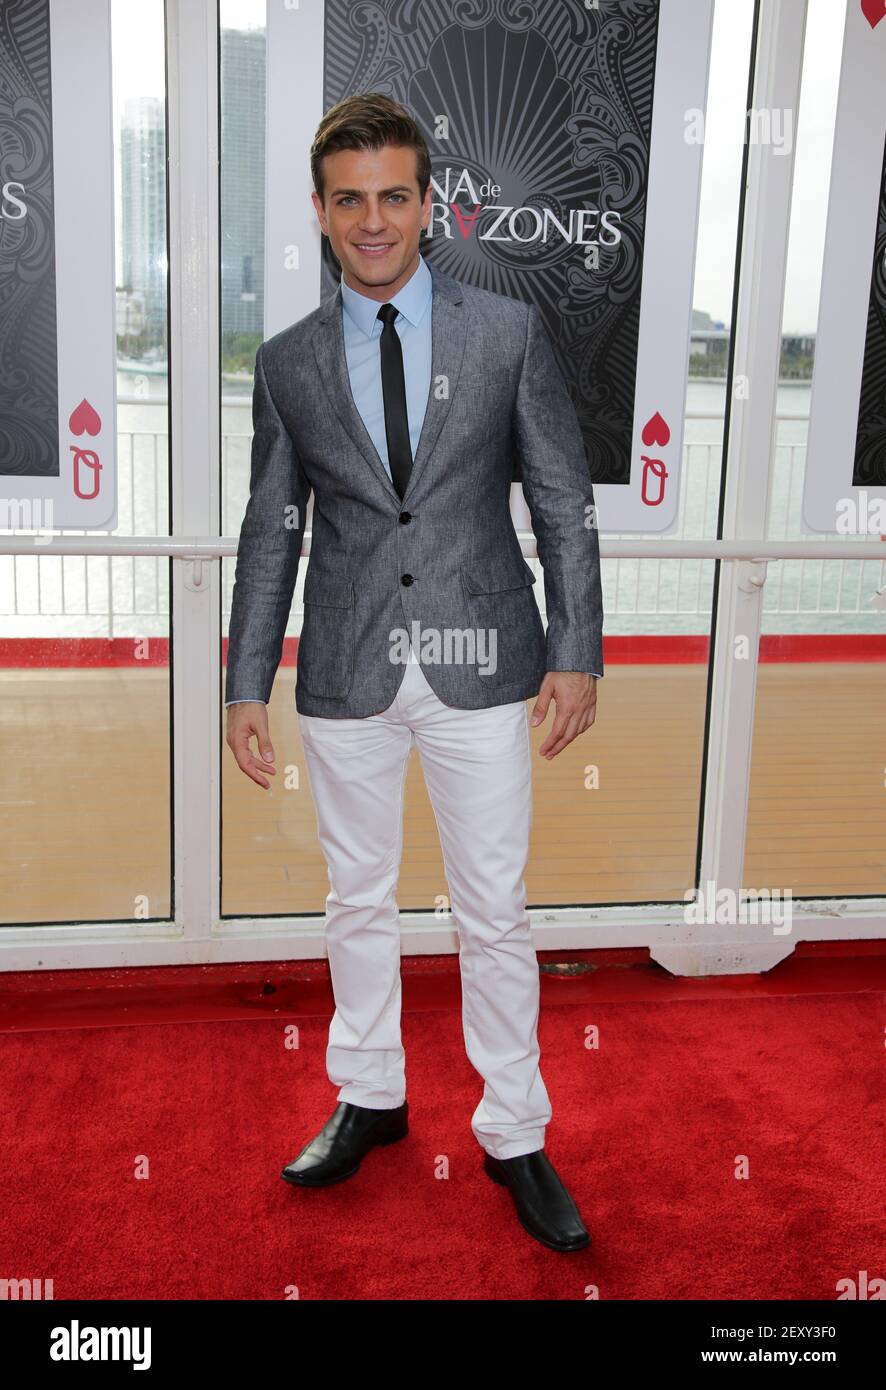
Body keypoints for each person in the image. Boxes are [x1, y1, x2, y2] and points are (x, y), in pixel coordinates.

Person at [225, 92, 604, 1253]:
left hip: (485, 661)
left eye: (395, 196)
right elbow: (271, 525)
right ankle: (371, 1097)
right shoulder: (288, 360)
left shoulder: (506, 333)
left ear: (429, 203)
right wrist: (245, 680)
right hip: (344, 663)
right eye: (351, 200)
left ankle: (516, 1131)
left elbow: (560, 502)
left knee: (494, 910)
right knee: (356, 900)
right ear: (320, 212)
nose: (374, 220)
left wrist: (577, 650)